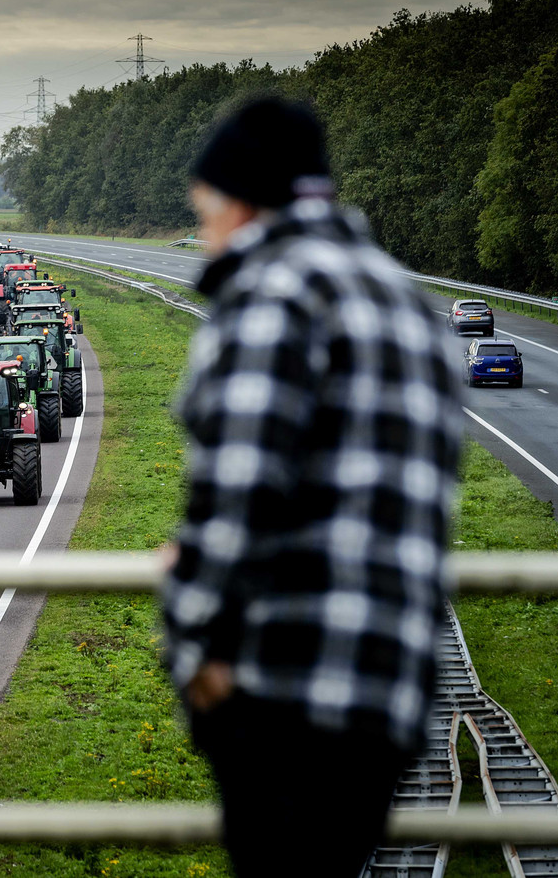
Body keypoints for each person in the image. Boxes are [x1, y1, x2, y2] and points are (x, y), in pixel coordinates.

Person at [163, 97, 461, 878]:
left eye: (202, 212)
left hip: (280, 682)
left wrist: (196, 640)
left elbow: (241, 489)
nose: (203, 233)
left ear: (237, 199)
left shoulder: (272, 291)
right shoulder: (409, 303)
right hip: (387, 691)